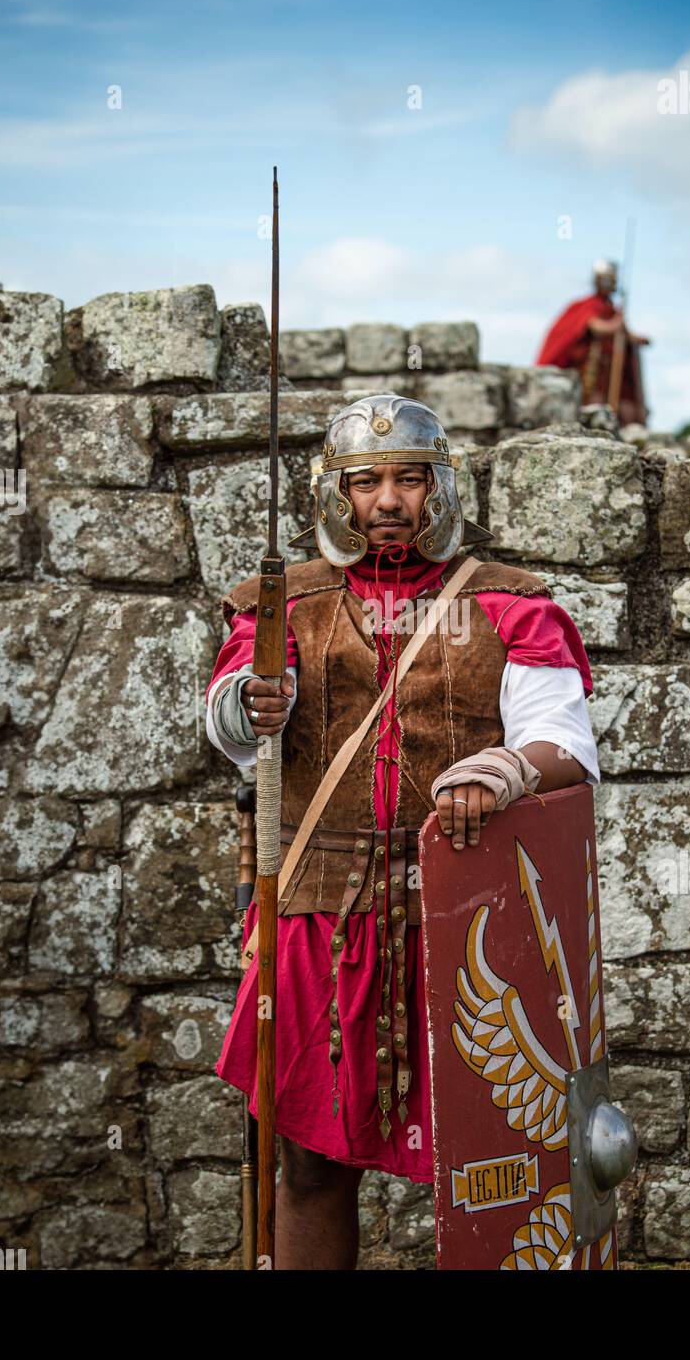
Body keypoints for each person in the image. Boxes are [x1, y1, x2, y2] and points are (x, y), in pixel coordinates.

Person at [206, 393, 601, 1269]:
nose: (387, 501)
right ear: (335, 496)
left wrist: (504, 769)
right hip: (318, 913)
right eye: (366, 481)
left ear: (439, 490)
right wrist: (251, 701)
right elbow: (234, 727)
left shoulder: (510, 604)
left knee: (494, 1163)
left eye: (408, 480)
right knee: (309, 1166)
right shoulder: (282, 607)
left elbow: (562, 739)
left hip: (465, 921)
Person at [537, 258, 650, 427]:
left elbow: (626, 334)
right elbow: (596, 326)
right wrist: (614, 325)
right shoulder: (586, 306)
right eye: (606, 280)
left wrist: (636, 338)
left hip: (608, 374)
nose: (609, 284)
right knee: (593, 402)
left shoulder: (612, 310)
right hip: (590, 374)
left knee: (621, 407)